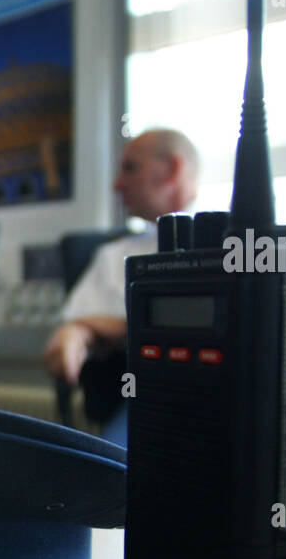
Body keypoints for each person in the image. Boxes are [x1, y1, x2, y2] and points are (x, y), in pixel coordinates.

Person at [42, 128, 199, 445]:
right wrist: (77, 332)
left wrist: (109, 327)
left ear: (172, 170)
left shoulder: (243, 246)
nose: (117, 184)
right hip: (147, 404)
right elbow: (74, 327)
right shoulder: (115, 255)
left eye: (130, 168)